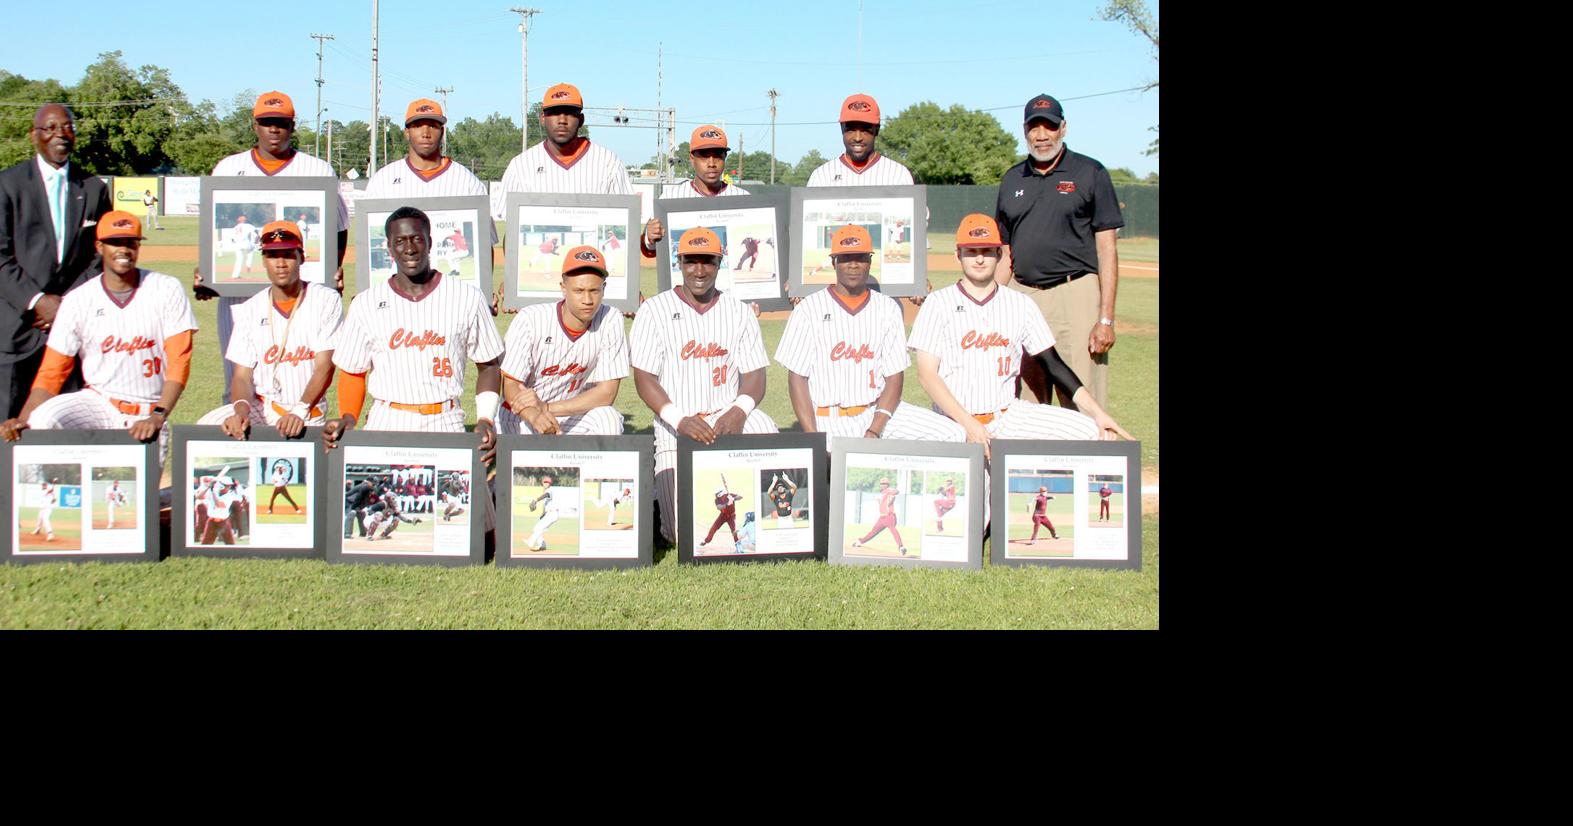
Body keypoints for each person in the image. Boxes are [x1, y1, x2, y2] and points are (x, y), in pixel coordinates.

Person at [908, 214, 1131, 463]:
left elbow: (1054, 365)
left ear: (999, 255)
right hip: (952, 421)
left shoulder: (1021, 304)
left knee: (1091, 431)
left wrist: (1098, 413)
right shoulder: (938, 303)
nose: (979, 258)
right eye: (971, 251)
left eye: (987, 251)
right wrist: (969, 425)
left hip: (1007, 416)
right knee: (979, 496)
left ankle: (1046, 495)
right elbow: (926, 375)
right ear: (958, 255)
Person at [0, 212, 197, 462]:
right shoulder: (78, 300)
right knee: (42, 419)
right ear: (99, 246)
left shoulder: (166, 288)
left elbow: (180, 360)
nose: (123, 249)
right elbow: (52, 372)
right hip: (98, 403)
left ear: (138, 245)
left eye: (130, 242)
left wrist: (159, 414)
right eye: (115, 242)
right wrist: (24, 419)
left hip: (147, 410)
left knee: (140, 500)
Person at [196, 91, 350, 407]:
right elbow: (211, 229)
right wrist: (207, 270)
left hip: (301, 295)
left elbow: (338, 227)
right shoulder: (228, 167)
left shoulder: (317, 170)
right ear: (255, 125)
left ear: (292, 126)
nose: (274, 130)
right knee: (236, 382)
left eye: (281, 123)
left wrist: (330, 269)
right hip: (240, 297)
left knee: (302, 379)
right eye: (267, 123)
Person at [630, 227, 778, 544]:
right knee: (680, 536)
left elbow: (755, 374)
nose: (699, 270)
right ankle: (661, 496)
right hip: (676, 422)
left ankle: (770, 516)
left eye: (708, 261)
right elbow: (644, 378)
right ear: (679, 262)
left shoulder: (739, 311)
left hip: (727, 415)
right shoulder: (653, 310)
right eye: (691, 261)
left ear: (720, 262)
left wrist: (739, 411)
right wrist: (679, 419)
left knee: (764, 425)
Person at [322, 206, 505, 447]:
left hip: (445, 419)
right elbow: (353, 371)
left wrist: (485, 418)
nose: (409, 249)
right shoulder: (365, 303)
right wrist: (348, 416)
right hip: (386, 419)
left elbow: (489, 365)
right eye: (400, 241)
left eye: (417, 239)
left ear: (429, 242)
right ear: (389, 247)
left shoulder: (467, 296)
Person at [774, 224, 963, 443]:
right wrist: (814, 438)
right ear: (834, 261)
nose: (853, 264)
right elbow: (797, 378)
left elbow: (894, 377)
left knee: (953, 433)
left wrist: (875, 429)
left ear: (870, 261)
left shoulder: (888, 308)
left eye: (861, 257)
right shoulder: (808, 309)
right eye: (846, 258)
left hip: (879, 412)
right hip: (828, 418)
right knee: (836, 471)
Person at [996, 93, 1124, 411]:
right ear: (1024, 130)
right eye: (1034, 127)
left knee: (1081, 395)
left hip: (1075, 291)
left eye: (1049, 126)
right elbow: (1005, 251)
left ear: (1063, 128)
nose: (1041, 135)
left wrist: (1105, 318)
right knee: (1025, 398)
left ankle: (1081, 460)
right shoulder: (1013, 178)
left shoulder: (1090, 173)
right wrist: (992, 305)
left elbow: (1107, 248)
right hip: (1023, 294)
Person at [497, 83, 665, 309]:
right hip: (541, 298)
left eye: (570, 113)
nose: (562, 119)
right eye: (555, 112)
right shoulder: (521, 165)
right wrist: (513, 279)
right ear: (542, 118)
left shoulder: (607, 162)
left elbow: (625, 228)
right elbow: (512, 232)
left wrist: (628, 287)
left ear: (581, 119)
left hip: (592, 292)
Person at [0, 103, 113, 419]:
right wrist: (37, 301)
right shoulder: (7, 185)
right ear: (33, 135)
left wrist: (66, 304)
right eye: (49, 128)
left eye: (66, 127)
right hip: (16, 332)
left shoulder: (94, 189)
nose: (59, 134)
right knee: (8, 431)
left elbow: (99, 255)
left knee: (65, 432)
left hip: (72, 332)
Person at [194, 221, 341, 439]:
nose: (280, 263)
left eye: (288, 254)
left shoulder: (325, 299)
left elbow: (325, 366)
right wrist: (240, 411)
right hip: (263, 408)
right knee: (205, 429)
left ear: (302, 256)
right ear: (263, 260)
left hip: (308, 410)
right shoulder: (250, 308)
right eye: (273, 255)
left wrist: (299, 410)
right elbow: (242, 376)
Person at [498, 245, 627, 436]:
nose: (587, 299)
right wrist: (534, 414)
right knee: (526, 452)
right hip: (522, 413)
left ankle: (593, 466)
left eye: (594, 290)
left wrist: (548, 408)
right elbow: (510, 385)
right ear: (563, 288)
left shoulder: (610, 318)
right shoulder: (530, 319)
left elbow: (606, 392)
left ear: (604, 289)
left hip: (569, 411)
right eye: (579, 290)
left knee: (608, 419)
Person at [364, 97, 497, 258]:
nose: (426, 133)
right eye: (418, 126)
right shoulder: (382, 180)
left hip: (451, 281)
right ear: (407, 132)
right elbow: (368, 243)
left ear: (442, 131)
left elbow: (484, 245)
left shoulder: (467, 182)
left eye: (433, 126)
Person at [805, 95, 915, 186]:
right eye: (851, 129)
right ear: (842, 129)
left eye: (865, 129)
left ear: (876, 130)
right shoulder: (822, 176)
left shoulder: (898, 174)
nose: (857, 138)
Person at [662, 125, 750, 199]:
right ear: (692, 159)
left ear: (724, 157)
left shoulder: (743, 198)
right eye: (704, 156)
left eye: (717, 156)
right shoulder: (671, 197)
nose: (711, 164)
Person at [851, 477, 906, 556]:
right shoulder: (883, 493)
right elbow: (883, 505)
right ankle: (860, 542)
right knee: (873, 531)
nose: (883, 485)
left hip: (889, 516)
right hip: (882, 518)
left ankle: (901, 547)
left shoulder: (888, 491)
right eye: (882, 484)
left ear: (887, 485)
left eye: (885, 484)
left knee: (893, 530)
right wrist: (879, 501)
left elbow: (897, 491)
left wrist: (892, 492)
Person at [523, 474, 560, 551]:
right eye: (545, 482)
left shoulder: (549, 490)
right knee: (536, 528)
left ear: (550, 484)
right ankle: (542, 545)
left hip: (553, 514)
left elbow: (546, 495)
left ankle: (530, 542)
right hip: (549, 514)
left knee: (539, 528)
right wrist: (542, 515)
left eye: (548, 482)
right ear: (542, 483)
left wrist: (536, 500)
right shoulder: (545, 491)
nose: (546, 483)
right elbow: (546, 506)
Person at [228, 214, 260, 278]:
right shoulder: (248, 225)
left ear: (238, 220)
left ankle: (235, 275)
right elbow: (256, 231)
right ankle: (248, 264)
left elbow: (232, 239)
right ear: (245, 220)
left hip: (237, 244)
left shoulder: (235, 227)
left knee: (239, 259)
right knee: (251, 249)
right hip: (245, 243)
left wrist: (234, 243)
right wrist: (257, 237)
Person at [33, 477, 58, 541]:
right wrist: (52, 498)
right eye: (43, 484)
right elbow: (50, 493)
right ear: (41, 485)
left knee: (45, 519)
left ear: (46, 485)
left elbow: (53, 497)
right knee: (39, 519)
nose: (44, 485)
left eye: (45, 484)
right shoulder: (42, 491)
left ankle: (50, 533)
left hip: (48, 508)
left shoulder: (48, 490)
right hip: (42, 508)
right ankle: (37, 529)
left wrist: (53, 484)